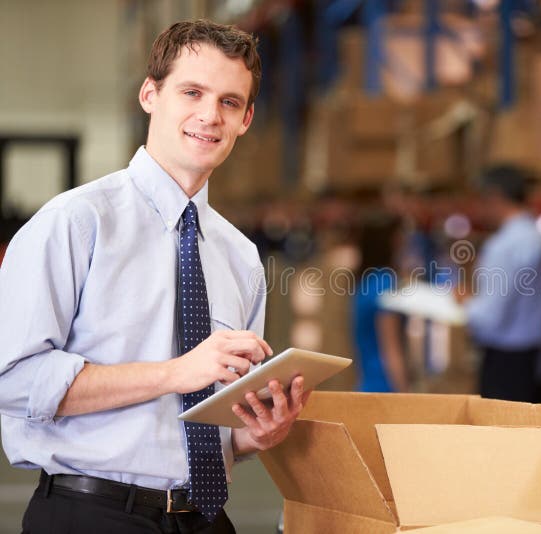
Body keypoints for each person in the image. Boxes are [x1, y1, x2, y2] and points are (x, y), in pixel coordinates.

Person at [0, 20, 309, 534]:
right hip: (90, 516)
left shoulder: (240, 256)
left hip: (205, 518)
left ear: (247, 119)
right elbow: (11, 378)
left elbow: (220, 425)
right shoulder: (76, 223)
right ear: (150, 94)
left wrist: (257, 434)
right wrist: (176, 372)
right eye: (192, 92)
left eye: (230, 102)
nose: (210, 115)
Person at [464, 165, 541, 404]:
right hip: (538, 359)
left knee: (502, 438)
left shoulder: (502, 247)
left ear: (494, 197)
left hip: (506, 365)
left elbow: (489, 317)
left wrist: (465, 303)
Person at [352, 212, 408, 392]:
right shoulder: (385, 282)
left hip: (365, 382)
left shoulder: (364, 282)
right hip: (385, 386)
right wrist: (405, 393)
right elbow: (390, 346)